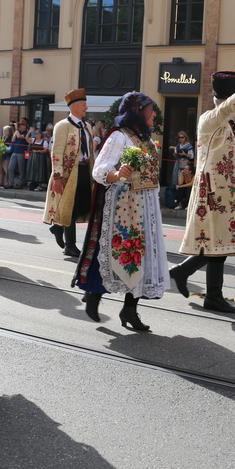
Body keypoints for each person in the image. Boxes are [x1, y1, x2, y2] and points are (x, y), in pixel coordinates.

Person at [74, 92, 167, 330]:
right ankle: (95, 294)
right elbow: (100, 170)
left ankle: (129, 309)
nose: (154, 114)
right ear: (137, 111)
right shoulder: (119, 136)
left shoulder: (144, 139)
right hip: (123, 206)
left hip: (144, 205)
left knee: (142, 258)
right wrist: (117, 173)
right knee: (116, 252)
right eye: (150, 110)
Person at [169, 71, 235, 313]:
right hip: (213, 194)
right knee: (215, 244)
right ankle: (211, 295)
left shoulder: (225, 122)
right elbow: (226, 109)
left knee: (217, 244)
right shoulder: (211, 118)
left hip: (223, 192)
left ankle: (186, 274)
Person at [44, 88, 96, 257]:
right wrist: (57, 177)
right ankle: (70, 245)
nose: (86, 108)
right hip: (68, 174)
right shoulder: (62, 126)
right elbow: (56, 152)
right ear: (74, 106)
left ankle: (58, 227)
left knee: (84, 204)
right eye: (84, 105)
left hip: (84, 170)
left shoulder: (86, 126)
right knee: (71, 207)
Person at [170, 130, 194, 208]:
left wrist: (185, 154)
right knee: (178, 181)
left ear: (185, 137)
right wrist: (175, 154)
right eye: (179, 137)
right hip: (178, 164)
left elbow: (192, 156)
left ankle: (186, 203)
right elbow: (176, 156)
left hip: (186, 164)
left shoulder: (189, 146)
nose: (180, 139)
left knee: (187, 183)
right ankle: (179, 202)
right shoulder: (177, 146)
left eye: (182, 137)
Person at [7, 123, 29, 188]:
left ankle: (20, 183)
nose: (20, 126)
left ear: (25, 126)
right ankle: (11, 182)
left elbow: (19, 136)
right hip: (15, 152)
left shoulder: (27, 133)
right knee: (10, 167)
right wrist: (16, 130)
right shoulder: (17, 132)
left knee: (21, 169)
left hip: (22, 152)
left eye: (21, 125)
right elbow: (13, 139)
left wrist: (16, 129)